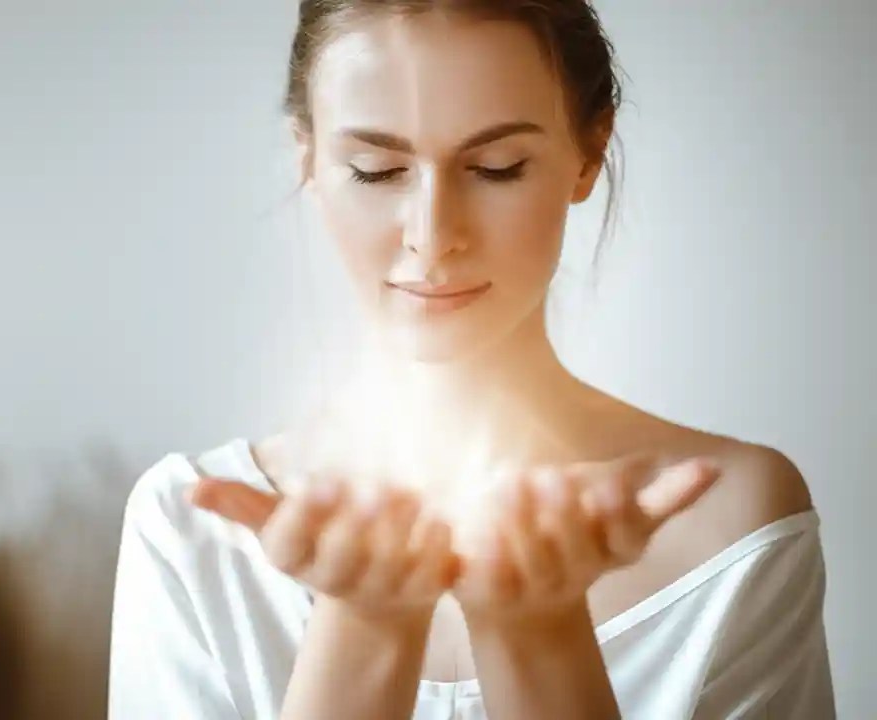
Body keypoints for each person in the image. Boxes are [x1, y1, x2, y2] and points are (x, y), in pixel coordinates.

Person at [108, 1, 835, 718]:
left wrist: (540, 636)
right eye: (375, 170)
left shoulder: (733, 522)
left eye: (496, 167)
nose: (432, 235)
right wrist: (363, 630)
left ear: (588, 152)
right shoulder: (191, 533)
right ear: (309, 157)